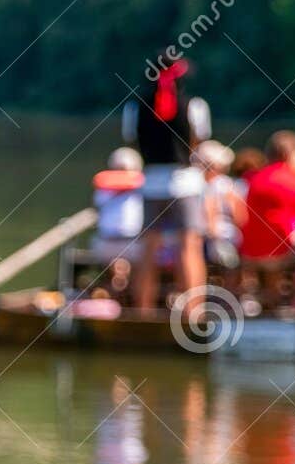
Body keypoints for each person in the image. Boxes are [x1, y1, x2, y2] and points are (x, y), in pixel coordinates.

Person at [123, 60, 209, 310]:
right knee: (189, 248)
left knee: (148, 249)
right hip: (185, 184)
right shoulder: (195, 105)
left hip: (151, 184)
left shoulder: (134, 107)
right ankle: (193, 312)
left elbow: (132, 140)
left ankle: (143, 311)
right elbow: (197, 142)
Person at [240, 131, 295, 262]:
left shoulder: (255, 179)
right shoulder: (293, 180)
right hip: (281, 251)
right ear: (288, 154)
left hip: (252, 249)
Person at [92, 147, 145, 290]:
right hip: (109, 241)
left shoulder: (143, 186)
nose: (123, 174)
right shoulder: (103, 189)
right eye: (119, 169)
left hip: (133, 240)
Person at [195, 139, 243, 268]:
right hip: (218, 239)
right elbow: (240, 217)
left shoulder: (220, 185)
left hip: (216, 239)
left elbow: (239, 217)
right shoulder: (227, 185)